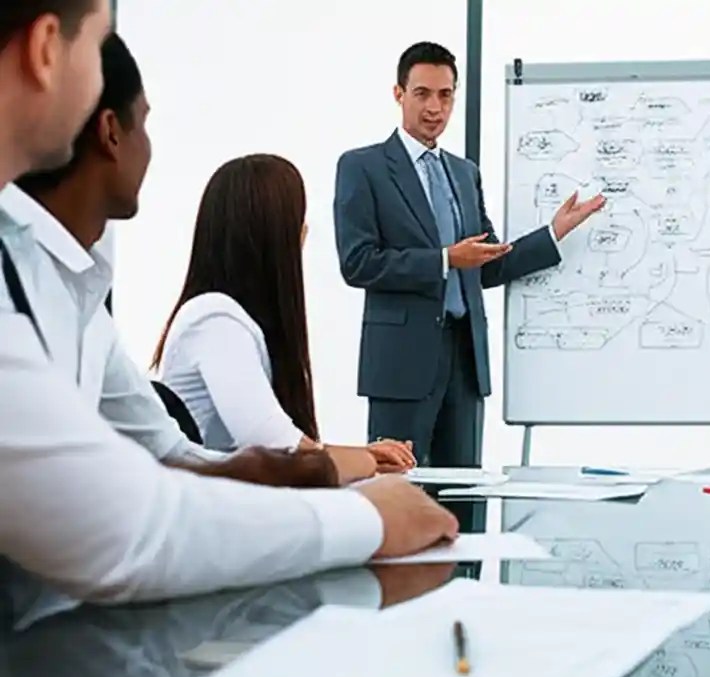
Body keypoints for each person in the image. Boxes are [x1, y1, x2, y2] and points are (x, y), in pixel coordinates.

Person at [0, 0, 456, 602]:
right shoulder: (207, 316)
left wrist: (342, 472)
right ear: (46, 51)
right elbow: (122, 533)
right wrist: (370, 520)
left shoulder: (67, 283)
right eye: (97, 39)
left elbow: (170, 457)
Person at [6, 32, 345, 489]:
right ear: (111, 133)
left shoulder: (87, 304)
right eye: (143, 124)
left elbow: (172, 453)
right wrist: (362, 508)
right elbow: (100, 506)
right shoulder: (214, 317)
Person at [334, 41, 605, 467]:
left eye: (445, 95)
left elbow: (486, 263)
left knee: (463, 494)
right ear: (398, 93)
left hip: (464, 360)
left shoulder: (463, 173)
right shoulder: (362, 167)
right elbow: (358, 262)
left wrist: (552, 234)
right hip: (401, 365)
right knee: (399, 491)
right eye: (422, 93)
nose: (434, 108)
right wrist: (444, 260)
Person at [153, 154, 416, 484]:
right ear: (274, 233)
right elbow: (282, 453)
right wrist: (363, 461)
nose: (305, 232)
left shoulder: (227, 319)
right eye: (298, 220)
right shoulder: (215, 322)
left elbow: (284, 446)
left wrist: (361, 454)